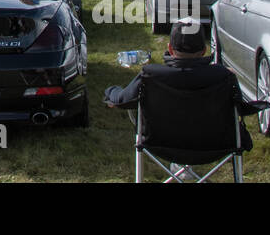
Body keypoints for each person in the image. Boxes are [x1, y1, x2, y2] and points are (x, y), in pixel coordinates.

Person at [104, 18, 261, 150]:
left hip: (161, 144)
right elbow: (240, 107)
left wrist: (111, 91)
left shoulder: (150, 75)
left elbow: (123, 99)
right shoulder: (224, 76)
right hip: (215, 146)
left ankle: (180, 168)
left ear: (170, 49)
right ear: (204, 50)